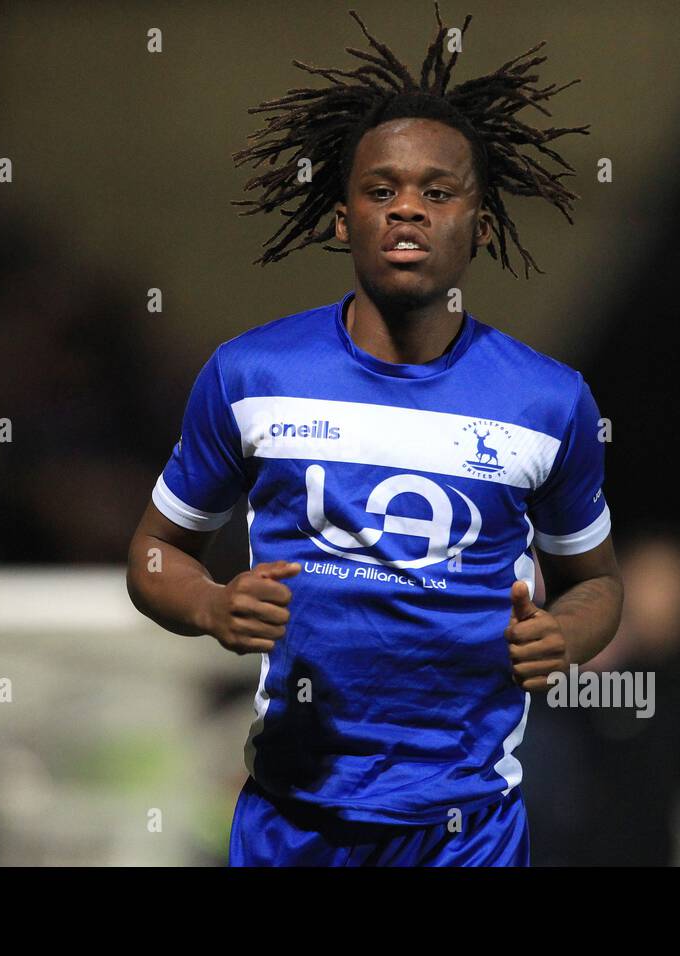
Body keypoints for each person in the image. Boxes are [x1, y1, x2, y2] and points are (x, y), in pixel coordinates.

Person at [126, 4, 622, 866]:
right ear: (341, 218)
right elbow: (153, 554)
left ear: (483, 227)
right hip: (294, 819)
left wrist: (566, 635)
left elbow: (599, 585)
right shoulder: (252, 376)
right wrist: (210, 604)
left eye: (438, 192)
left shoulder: (549, 401)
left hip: (467, 829)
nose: (408, 211)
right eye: (381, 189)